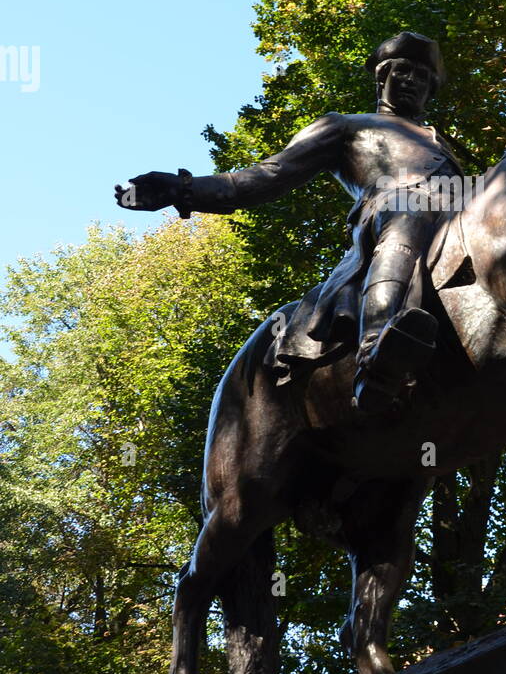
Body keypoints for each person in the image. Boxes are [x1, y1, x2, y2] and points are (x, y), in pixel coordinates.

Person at [115, 31, 463, 412]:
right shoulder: (345, 126)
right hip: (391, 218)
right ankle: (374, 354)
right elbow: (267, 176)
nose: (413, 79)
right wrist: (180, 189)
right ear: (382, 77)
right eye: (403, 69)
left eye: (423, 76)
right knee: (407, 207)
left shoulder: (440, 143)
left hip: (449, 223)